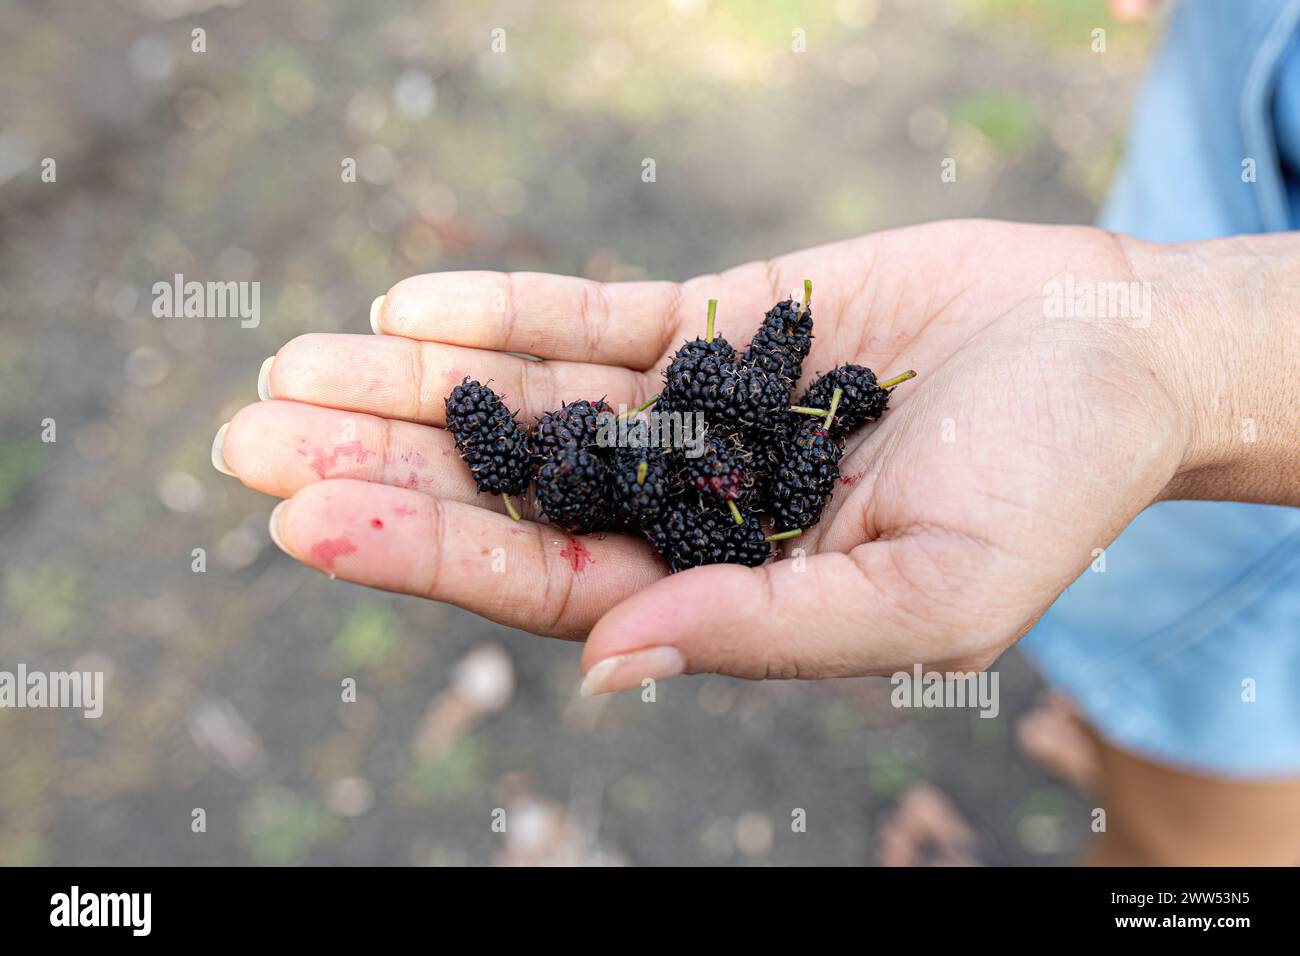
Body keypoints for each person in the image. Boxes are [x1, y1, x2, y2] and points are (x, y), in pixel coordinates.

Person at [210, 1, 1300, 865]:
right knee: (1126, 594)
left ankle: (1167, 796)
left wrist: (1176, 368)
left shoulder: (756, 444)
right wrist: (1165, 326)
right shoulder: (695, 443)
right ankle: (1115, 721)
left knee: (1204, 671)